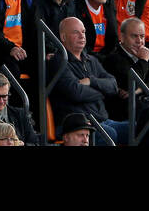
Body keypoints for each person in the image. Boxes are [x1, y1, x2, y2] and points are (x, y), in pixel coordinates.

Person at [49, 16, 130, 144]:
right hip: (76, 124)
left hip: (102, 120)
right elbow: (76, 92)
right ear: (63, 38)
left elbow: (113, 86)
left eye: (84, 32)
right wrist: (102, 92)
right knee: (109, 134)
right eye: (76, 32)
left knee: (134, 128)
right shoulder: (58, 62)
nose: (82, 36)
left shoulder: (92, 60)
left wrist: (91, 81)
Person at [102, 16, 149, 121]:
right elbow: (130, 84)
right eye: (134, 36)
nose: (139, 41)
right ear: (122, 37)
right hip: (126, 116)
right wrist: (142, 61)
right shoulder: (113, 59)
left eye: (142, 36)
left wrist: (139, 90)